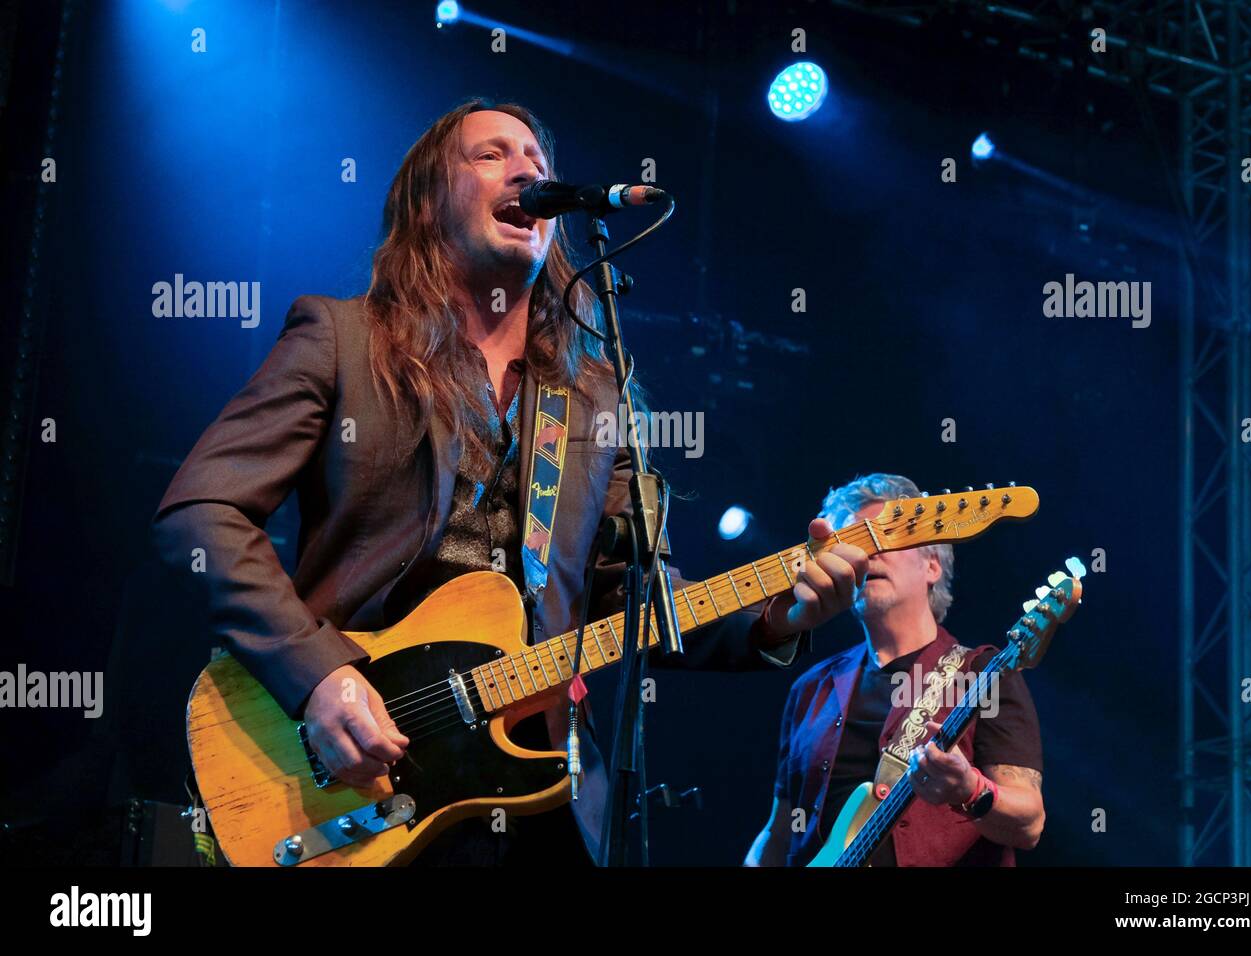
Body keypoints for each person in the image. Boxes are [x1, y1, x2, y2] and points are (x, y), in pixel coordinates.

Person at [153, 99, 869, 865]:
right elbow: (201, 509)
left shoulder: (592, 391)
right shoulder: (343, 339)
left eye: (536, 160)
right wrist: (317, 676)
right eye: (490, 155)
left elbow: (635, 598)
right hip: (359, 766)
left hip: (535, 790)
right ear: (429, 201)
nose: (528, 170)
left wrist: (778, 617)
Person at [745, 473, 1045, 867]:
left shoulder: (984, 673)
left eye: (884, 540)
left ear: (932, 565)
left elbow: (1029, 823)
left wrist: (970, 789)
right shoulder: (810, 688)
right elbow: (778, 833)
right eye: (852, 546)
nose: (865, 557)